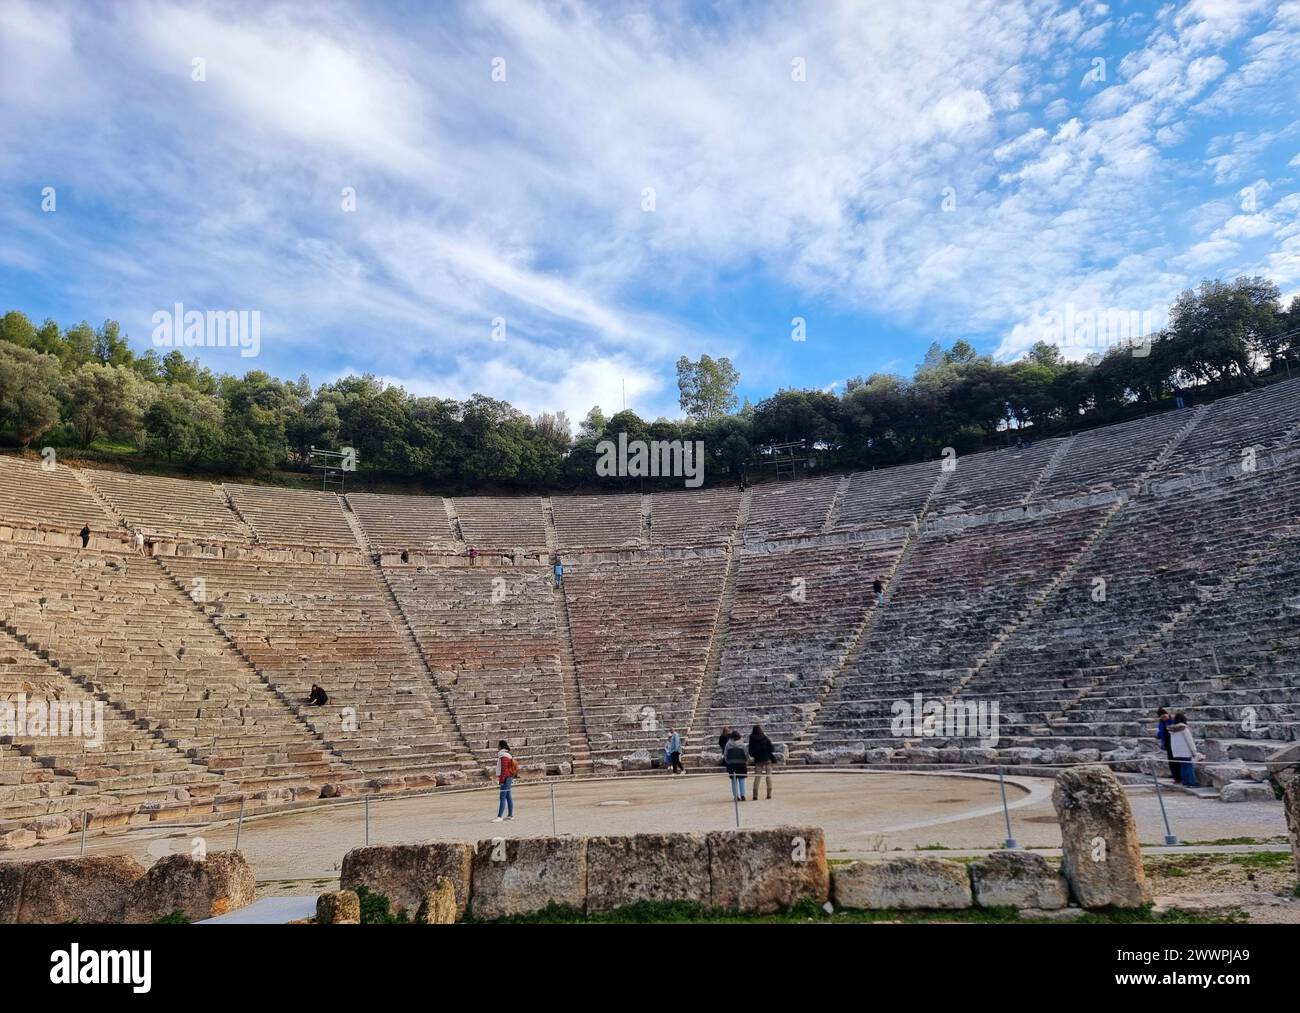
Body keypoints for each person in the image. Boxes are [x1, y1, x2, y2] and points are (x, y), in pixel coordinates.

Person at [1168, 714, 1197, 788]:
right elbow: (1189, 741)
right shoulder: (1184, 728)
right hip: (1185, 751)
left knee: (1182, 766)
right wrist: (1194, 751)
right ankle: (1191, 782)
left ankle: (1185, 781)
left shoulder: (1172, 729)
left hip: (1177, 752)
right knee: (1188, 766)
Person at [748, 724, 776, 800]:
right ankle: (769, 794)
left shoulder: (752, 739)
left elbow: (750, 752)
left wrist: (756, 754)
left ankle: (755, 795)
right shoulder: (765, 738)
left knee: (757, 777)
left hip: (758, 760)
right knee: (768, 776)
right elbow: (772, 749)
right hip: (767, 759)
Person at [492, 740, 517, 822]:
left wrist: (502, 781)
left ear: (501, 746)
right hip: (508, 777)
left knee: (502, 797)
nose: (497, 747)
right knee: (508, 796)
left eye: (498, 745)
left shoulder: (503, 756)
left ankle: (499, 816)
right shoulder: (507, 755)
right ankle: (510, 815)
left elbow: (504, 770)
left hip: (506, 778)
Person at [1156, 707, 1180, 784]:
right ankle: (1176, 777)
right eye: (1162, 717)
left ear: (1167, 714)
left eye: (1165, 716)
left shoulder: (1173, 721)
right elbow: (1160, 732)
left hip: (1175, 743)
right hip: (1168, 744)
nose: (1164, 718)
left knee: (1178, 761)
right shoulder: (1161, 722)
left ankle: (1180, 777)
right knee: (1172, 762)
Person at [724, 731, 748, 801]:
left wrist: (728, 762)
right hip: (741, 764)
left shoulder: (728, 744)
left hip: (731, 764)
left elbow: (725, 754)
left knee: (733, 781)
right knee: (742, 779)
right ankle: (743, 795)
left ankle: (735, 796)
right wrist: (746, 761)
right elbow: (746, 753)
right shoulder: (742, 744)